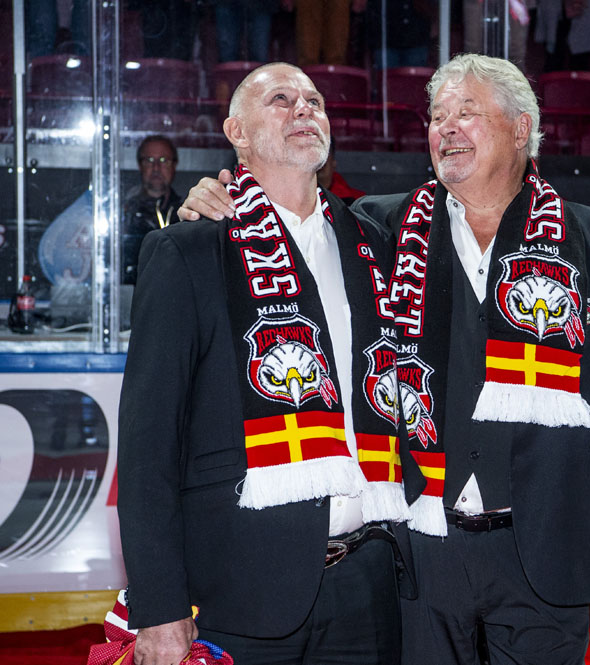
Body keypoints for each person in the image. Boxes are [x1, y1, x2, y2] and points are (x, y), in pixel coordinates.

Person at [177, 53, 590, 665]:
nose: (447, 128)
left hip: (548, 551)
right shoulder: (383, 229)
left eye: (468, 112)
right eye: (438, 116)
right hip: (421, 551)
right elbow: (285, 223)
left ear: (521, 129)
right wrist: (221, 196)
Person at [118, 62, 413, 665]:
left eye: (315, 101)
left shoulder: (374, 242)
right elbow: (148, 451)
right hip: (240, 592)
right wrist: (159, 608)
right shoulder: (188, 250)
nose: (305, 109)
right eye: (281, 99)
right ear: (237, 132)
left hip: (370, 585)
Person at [122, 135, 183, 285]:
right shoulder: (123, 213)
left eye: (163, 161)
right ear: (139, 165)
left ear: (174, 165)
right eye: (149, 160)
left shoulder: (188, 214)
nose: (156, 168)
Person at [317, 136, 366, 206]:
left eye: (324, 153)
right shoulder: (296, 202)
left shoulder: (358, 203)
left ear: (333, 162)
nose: (320, 160)